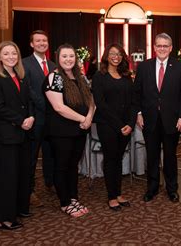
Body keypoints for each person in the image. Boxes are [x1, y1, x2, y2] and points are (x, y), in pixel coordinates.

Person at [134, 33, 181, 203]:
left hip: (172, 120)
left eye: (165, 46)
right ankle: (152, 188)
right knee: (151, 155)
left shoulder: (180, 67)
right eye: (159, 45)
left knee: (170, 156)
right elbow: (136, 92)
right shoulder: (144, 67)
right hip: (149, 119)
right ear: (154, 47)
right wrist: (138, 114)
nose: (162, 49)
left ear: (171, 48)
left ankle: (172, 188)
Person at [44, 44, 94, 217]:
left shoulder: (80, 77)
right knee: (62, 166)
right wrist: (83, 119)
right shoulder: (54, 77)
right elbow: (58, 107)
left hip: (79, 130)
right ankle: (65, 202)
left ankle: (73, 197)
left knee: (73, 165)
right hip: (61, 131)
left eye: (71, 56)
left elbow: (91, 100)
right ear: (58, 58)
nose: (68, 59)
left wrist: (89, 117)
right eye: (64, 56)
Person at [0, 41, 34, 230]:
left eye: (13, 53)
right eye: (6, 54)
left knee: (20, 174)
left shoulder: (21, 76)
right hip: (7, 134)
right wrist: (20, 120)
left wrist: (31, 116)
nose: (10, 57)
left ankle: (15, 210)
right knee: (6, 177)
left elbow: (29, 100)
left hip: (23, 132)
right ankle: (2, 218)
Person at [92, 44, 138, 211]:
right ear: (106, 56)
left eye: (119, 54)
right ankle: (111, 196)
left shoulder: (127, 76)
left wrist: (131, 124)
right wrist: (120, 125)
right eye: (112, 54)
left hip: (126, 127)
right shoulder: (99, 76)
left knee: (118, 159)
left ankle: (118, 193)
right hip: (108, 125)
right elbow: (101, 105)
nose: (115, 57)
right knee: (111, 159)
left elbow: (134, 102)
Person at [22, 30, 56, 206]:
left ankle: (50, 183)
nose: (42, 43)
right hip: (35, 117)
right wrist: (47, 104)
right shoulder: (24, 64)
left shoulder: (53, 65)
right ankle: (29, 191)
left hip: (52, 118)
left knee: (51, 153)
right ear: (32, 44)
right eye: (38, 41)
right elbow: (27, 90)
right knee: (32, 156)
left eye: (45, 40)